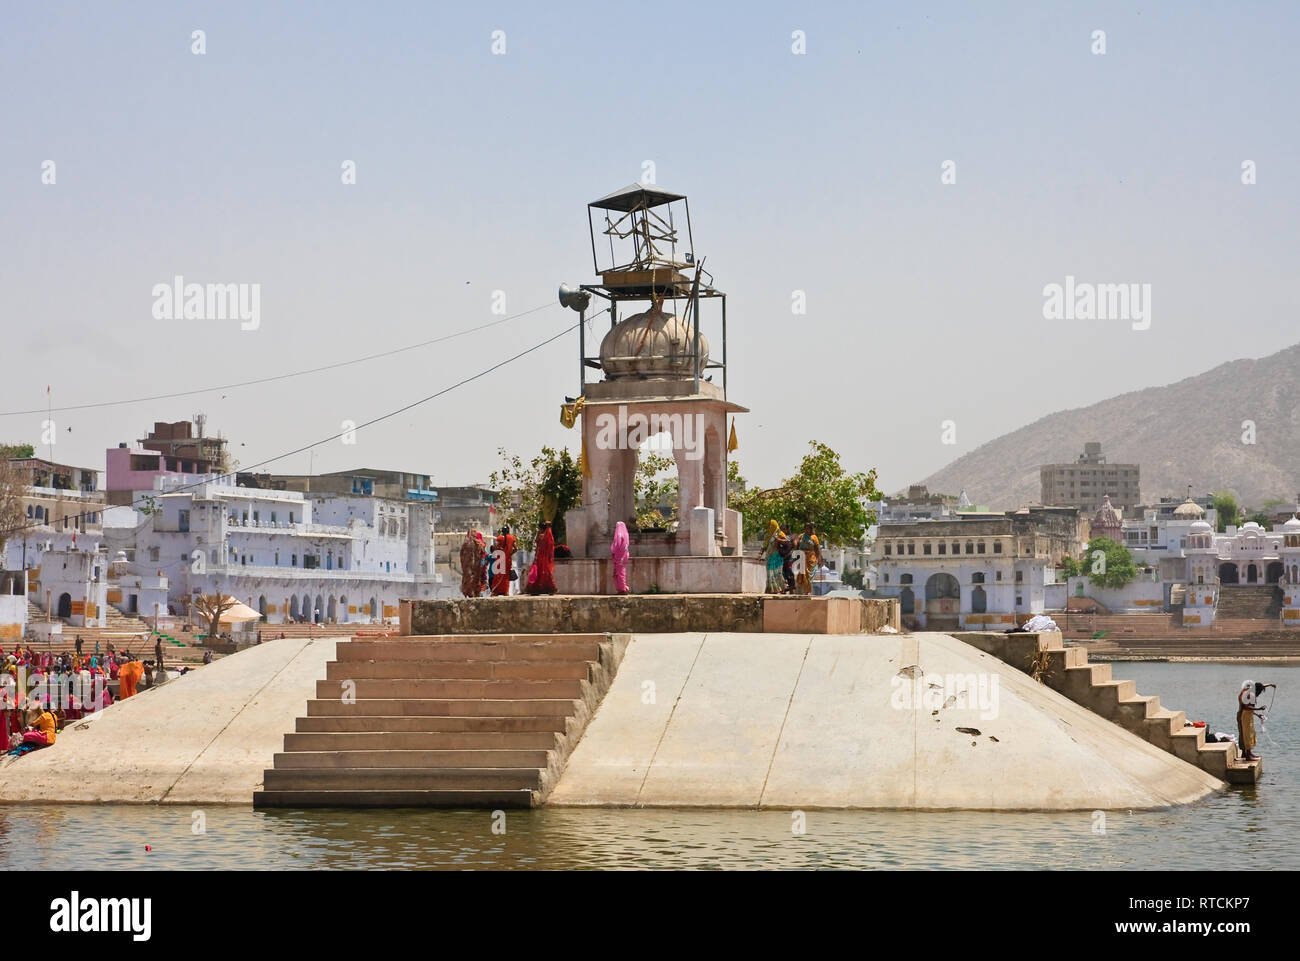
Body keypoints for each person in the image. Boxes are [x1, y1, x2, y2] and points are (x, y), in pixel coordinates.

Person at [1237, 679, 1275, 760]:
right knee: (1246, 735)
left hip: (1248, 715)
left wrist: (1270, 684)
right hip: (1243, 716)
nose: (1259, 694)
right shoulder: (1248, 694)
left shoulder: (1251, 689)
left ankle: (1248, 753)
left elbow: (1260, 685)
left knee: (1250, 734)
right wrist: (1259, 708)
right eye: (1259, 692)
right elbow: (1246, 707)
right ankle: (1247, 755)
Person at [525, 522, 557, 595]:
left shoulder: (541, 536)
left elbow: (537, 544)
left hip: (540, 557)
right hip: (546, 558)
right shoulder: (549, 536)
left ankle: (537, 588)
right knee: (546, 572)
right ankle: (549, 589)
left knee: (537, 572)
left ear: (540, 528)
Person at [794, 524, 821, 595]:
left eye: (808, 529)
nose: (806, 530)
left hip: (811, 557)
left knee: (809, 574)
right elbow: (796, 547)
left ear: (811, 529)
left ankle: (808, 591)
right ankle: (802, 591)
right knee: (802, 574)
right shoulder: (801, 536)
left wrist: (819, 559)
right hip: (802, 556)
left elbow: (817, 549)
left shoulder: (814, 537)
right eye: (805, 528)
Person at [491, 526, 517, 596]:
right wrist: (509, 554)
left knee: (498, 575)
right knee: (506, 576)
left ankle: (495, 591)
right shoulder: (512, 538)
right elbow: (516, 548)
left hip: (499, 559)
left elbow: (495, 547)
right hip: (507, 559)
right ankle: (506, 591)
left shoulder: (499, 538)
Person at [762, 520, 786, 594]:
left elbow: (786, 541)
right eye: (769, 525)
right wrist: (760, 554)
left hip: (777, 556)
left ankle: (781, 588)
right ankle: (772, 589)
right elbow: (764, 546)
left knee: (777, 573)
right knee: (770, 573)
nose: (769, 527)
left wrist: (778, 539)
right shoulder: (768, 535)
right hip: (769, 556)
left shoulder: (780, 533)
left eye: (770, 525)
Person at [460, 529, 486, 598]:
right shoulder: (478, 543)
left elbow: (462, 555)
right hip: (475, 567)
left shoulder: (466, 543)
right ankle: (473, 592)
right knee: (474, 580)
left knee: (469, 579)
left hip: (469, 567)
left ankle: (470, 592)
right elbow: (483, 551)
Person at [611, 521, 631, 595]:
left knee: (619, 573)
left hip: (619, 557)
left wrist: (612, 551)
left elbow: (616, 546)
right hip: (623, 556)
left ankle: (622, 589)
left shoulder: (619, 535)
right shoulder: (626, 535)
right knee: (620, 572)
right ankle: (622, 588)